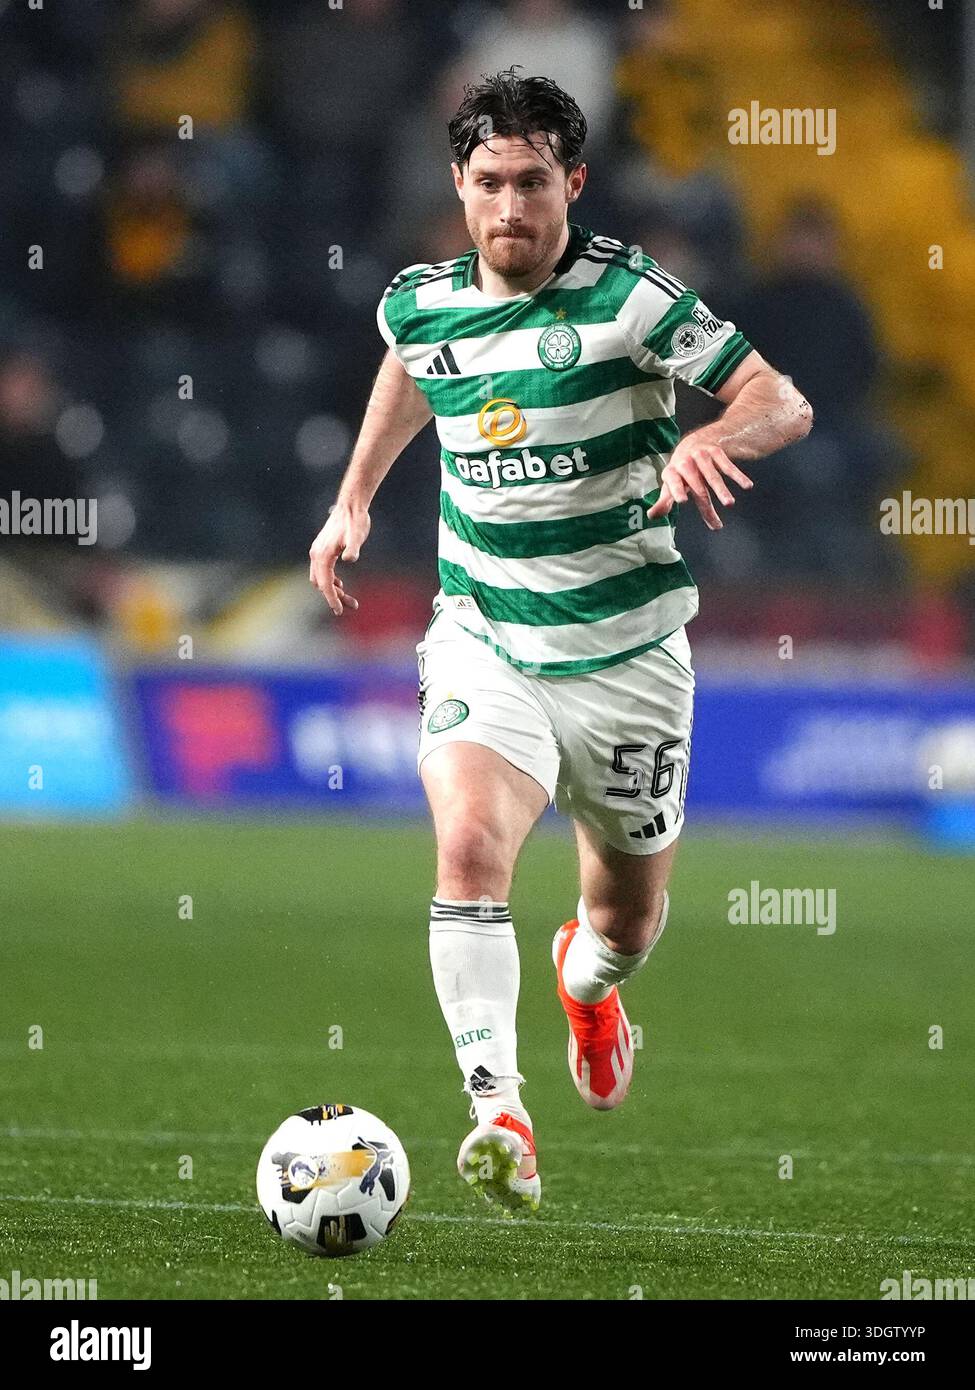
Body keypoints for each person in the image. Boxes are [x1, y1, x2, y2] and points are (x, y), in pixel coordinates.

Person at [308, 69, 812, 1213]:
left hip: (630, 659)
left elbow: (784, 401)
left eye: (533, 182)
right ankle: (500, 1113)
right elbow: (411, 372)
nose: (510, 209)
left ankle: (589, 991)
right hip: (487, 637)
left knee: (621, 926)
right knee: (471, 848)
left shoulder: (632, 299)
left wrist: (714, 436)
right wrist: (354, 502)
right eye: (489, 183)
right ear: (460, 185)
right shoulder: (421, 302)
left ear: (572, 183)